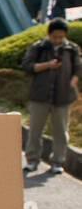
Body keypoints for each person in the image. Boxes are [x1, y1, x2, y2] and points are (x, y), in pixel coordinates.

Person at [21, 17, 79, 174]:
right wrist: (47, 65)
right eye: (55, 36)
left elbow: (77, 68)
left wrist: (73, 82)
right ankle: (32, 160)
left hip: (62, 97)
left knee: (60, 131)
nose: (58, 40)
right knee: (35, 131)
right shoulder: (39, 47)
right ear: (49, 34)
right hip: (40, 95)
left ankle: (58, 161)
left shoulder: (71, 49)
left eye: (61, 36)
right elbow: (27, 66)